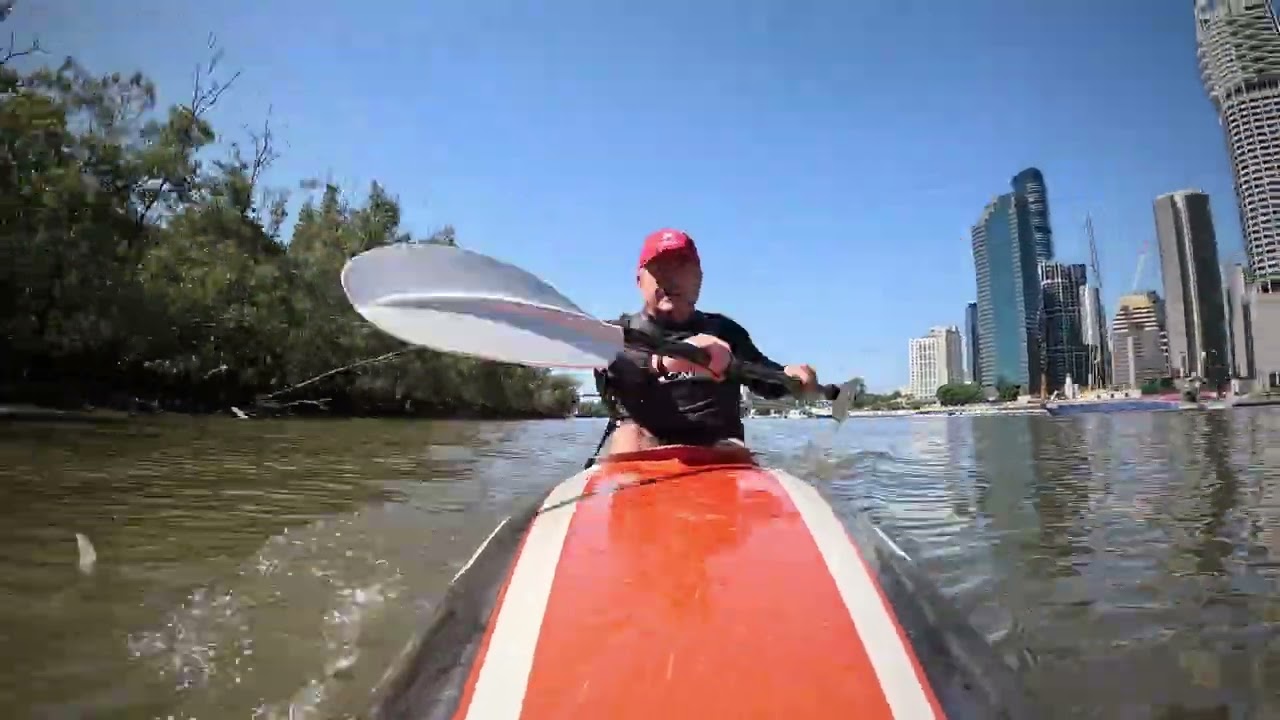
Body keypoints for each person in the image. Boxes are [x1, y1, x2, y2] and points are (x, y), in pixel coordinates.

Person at [591, 228, 819, 459]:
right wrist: (664, 361)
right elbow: (607, 363)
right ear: (639, 281)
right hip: (643, 444)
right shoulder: (613, 334)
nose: (670, 279)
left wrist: (789, 377)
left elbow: (766, 382)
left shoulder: (726, 332)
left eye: (681, 269)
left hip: (716, 445)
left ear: (698, 280)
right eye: (660, 270)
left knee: (729, 445)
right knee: (629, 435)